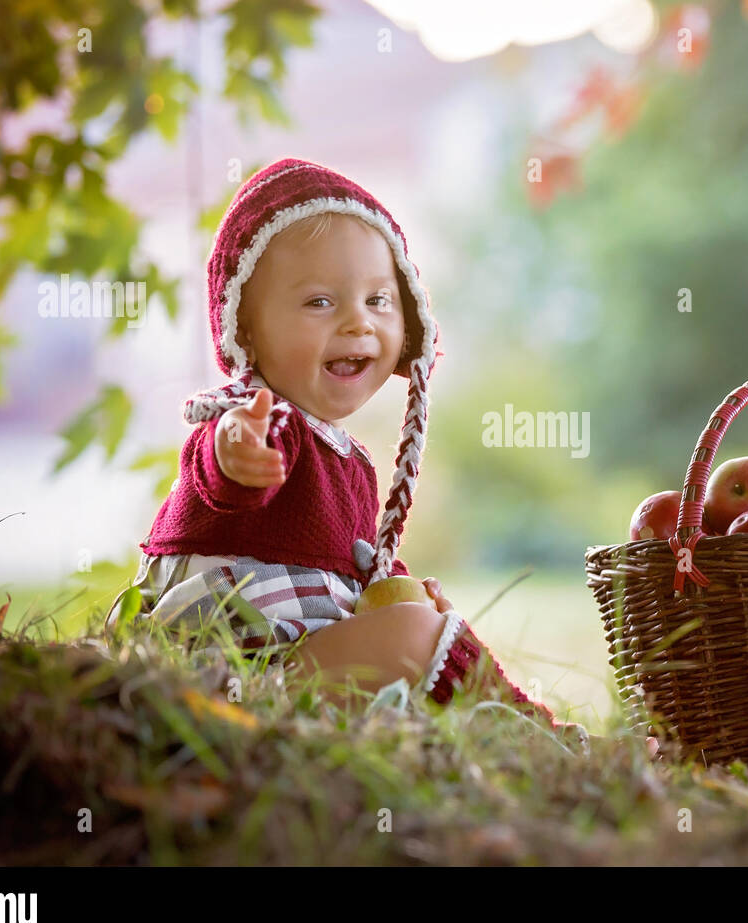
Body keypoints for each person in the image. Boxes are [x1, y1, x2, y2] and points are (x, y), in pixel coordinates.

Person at [106, 158, 585, 748]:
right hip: (233, 673)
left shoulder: (351, 460)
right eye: (320, 303)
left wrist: (395, 589)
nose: (358, 321)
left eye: (379, 301)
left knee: (421, 619)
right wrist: (238, 455)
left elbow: (352, 567)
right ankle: (535, 737)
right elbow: (218, 471)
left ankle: (519, 729)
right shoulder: (255, 416)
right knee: (411, 633)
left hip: (299, 663)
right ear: (247, 333)